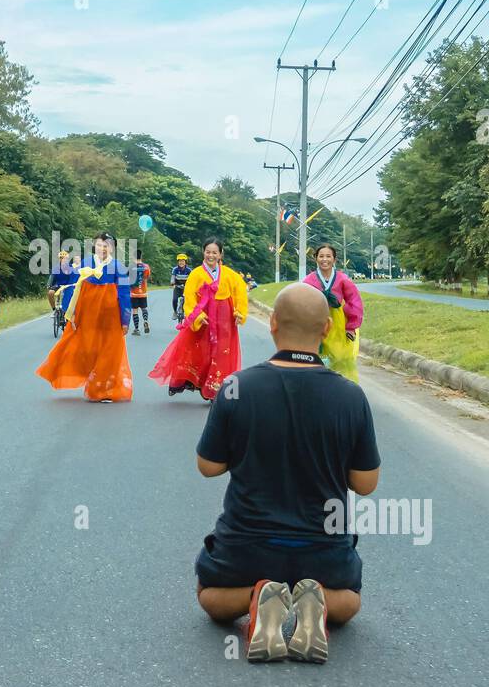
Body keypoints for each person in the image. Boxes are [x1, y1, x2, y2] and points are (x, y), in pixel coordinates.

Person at [194, 282, 380, 663]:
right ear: (327, 328)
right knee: (350, 602)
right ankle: (316, 599)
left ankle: (258, 594)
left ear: (273, 323)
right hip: (324, 551)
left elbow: (208, 467)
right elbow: (365, 482)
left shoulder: (236, 387)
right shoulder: (350, 396)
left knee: (209, 597)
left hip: (246, 548)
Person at [36, 233, 133, 403]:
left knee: (109, 351)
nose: (103, 248)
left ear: (112, 248)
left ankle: (102, 389)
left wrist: (125, 320)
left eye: (107, 245)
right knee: (84, 347)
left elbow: (124, 294)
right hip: (86, 315)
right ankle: (79, 374)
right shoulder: (84, 265)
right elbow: (73, 290)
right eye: (100, 244)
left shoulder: (118, 267)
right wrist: (70, 312)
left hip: (110, 317)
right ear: (94, 245)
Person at [150, 237, 248, 401]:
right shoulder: (196, 274)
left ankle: (215, 388)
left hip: (224, 318)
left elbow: (240, 293)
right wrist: (198, 316)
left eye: (214, 252)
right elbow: (189, 298)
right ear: (203, 252)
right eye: (208, 252)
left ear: (220, 254)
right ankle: (194, 381)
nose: (211, 255)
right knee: (199, 350)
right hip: (203, 317)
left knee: (223, 352)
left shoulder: (230, 275)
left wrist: (239, 312)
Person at [303, 243, 364, 382]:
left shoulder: (343, 279)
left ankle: (344, 386)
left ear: (334, 260)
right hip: (317, 322)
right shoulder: (309, 280)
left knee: (340, 355)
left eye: (328, 256)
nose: (325, 259)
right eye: (321, 256)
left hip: (338, 324)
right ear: (316, 259)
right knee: (317, 355)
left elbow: (354, 301)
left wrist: (351, 327)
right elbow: (302, 301)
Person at [129, 249, 151, 336]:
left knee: (135, 310)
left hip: (134, 293)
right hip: (143, 292)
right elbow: (147, 276)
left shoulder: (131, 266)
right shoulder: (146, 267)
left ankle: (137, 329)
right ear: (141, 256)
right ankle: (145, 320)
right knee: (144, 308)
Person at [170, 253, 193, 320]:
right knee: (174, 300)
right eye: (180, 261)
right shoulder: (175, 269)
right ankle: (175, 312)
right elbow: (173, 277)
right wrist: (172, 282)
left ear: (185, 262)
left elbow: (192, 279)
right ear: (178, 262)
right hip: (177, 287)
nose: (181, 262)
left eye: (183, 261)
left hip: (186, 288)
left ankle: (185, 312)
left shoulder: (189, 270)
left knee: (186, 300)